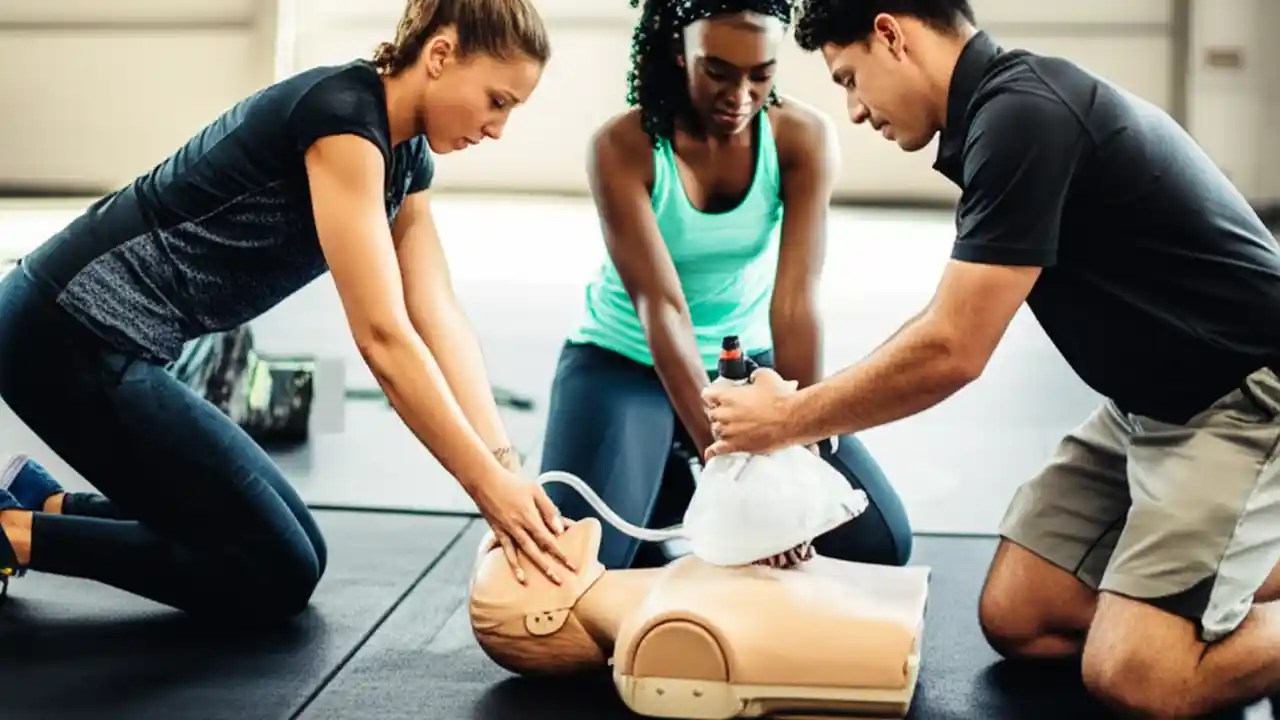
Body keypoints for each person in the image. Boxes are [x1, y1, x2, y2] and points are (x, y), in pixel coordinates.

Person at [702, 0, 1280, 716]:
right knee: (1020, 616)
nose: (853, 109)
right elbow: (944, 323)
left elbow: (953, 348)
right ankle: (1204, 587)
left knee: (1138, 676)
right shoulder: (997, 114)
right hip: (1148, 405)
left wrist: (786, 419)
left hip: (1242, 401)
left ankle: (1197, 608)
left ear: (890, 34)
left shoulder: (1025, 115)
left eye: (849, 78)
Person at [0, 0, 575, 619]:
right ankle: (13, 536)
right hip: (64, 335)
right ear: (440, 55)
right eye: (497, 101)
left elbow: (436, 314)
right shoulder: (342, 120)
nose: (497, 129)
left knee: (301, 544)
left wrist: (506, 469)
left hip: (110, 343)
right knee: (274, 567)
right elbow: (384, 337)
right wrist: (486, 490)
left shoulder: (405, 155)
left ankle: (39, 503)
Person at [537, 0, 913, 571]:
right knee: (586, 565)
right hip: (624, 359)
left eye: (761, 74)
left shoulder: (802, 138)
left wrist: (794, 448)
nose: (740, 95)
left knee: (880, 544)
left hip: (743, 366)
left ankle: (667, 477)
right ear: (678, 50)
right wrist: (736, 475)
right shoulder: (622, 146)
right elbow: (662, 308)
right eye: (717, 71)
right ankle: (666, 473)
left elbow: (796, 303)